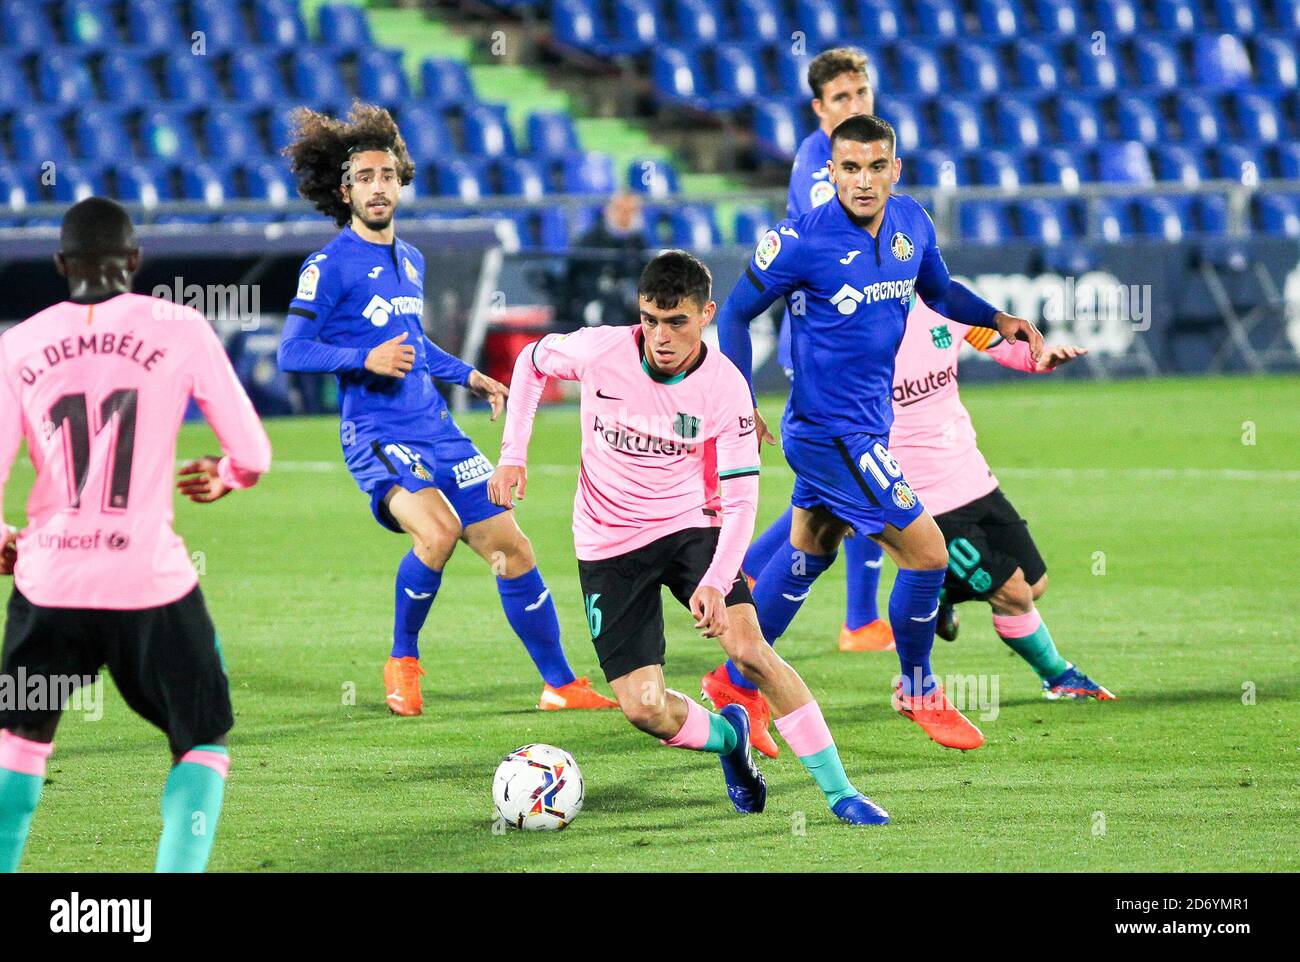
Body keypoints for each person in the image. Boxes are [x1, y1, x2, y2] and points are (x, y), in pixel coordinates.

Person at [488, 251, 890, 825]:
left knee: (750, 651)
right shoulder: (602, 350)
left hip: (690, 529)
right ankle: (731, 739)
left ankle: (840, 792)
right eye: (651, 319)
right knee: (644, 709)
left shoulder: (724, 388)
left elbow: (743, 498)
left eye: (676, 321)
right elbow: (530, 362)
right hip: (607, 544)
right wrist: (512, 456)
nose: (660, 335)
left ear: (706, 314)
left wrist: (717, 578)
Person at [712, 115, 1045, 753]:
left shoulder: (912, 223)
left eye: (875, 167)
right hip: (829, 433)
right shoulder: (799, 241)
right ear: (830, 172)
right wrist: (740, 399)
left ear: (894, 169)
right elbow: (733, 315)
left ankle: (735, 683)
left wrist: (999, 320)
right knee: (927, 553)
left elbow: (942, 293)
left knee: (810, 550)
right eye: (849, 168)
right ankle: (918, 689)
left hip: (869, 426)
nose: (863, 181)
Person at [277, 103, 615, 717]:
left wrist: (473, 375)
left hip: (438, 428)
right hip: (376, 432)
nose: (378, 188)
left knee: (514, 549)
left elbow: (414, 340)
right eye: (365, 178)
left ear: (400, 182)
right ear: (344, 189)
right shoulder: (327, 266)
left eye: (387, 176)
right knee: (436, 531)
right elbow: (292, 350)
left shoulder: (411, 259)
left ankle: (560, 684)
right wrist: (363, 359)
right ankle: (402, 662)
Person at [0, 197, 272, 872]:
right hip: (148, 583)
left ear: (62, 265)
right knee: (201, 738)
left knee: (21, 739)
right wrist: (226, 475)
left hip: (51, 581)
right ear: (135, 262)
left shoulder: (17, 344)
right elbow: (253, 454)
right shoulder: (178, 326)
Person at [704, 47, 888, 758]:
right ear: (819, 109)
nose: (852, 102)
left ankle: (738, 587)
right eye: (840, 95)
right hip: (821, 355)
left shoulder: (862, 155)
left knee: (823, 507)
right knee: (853, 495)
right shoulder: (821, 167)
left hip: (854, 353)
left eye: (861, 90)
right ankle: (841, 628)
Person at [890, 301, 1114, 699]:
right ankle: (1059, 676)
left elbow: (999, 344)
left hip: (970, 473)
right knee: (1013, 593)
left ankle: (935, 592)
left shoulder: (946, 303)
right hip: (921, 493)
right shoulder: (865, 322)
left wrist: (1040, 358)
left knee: (1034, 583)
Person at [559, 190, 649, 328]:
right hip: (592, 301)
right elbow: (573, 279)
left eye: (631, 210)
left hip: (628, 303)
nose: (625, 215)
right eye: (620, 209)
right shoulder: (589, 240)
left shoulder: (638, 242)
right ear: (609, 210)